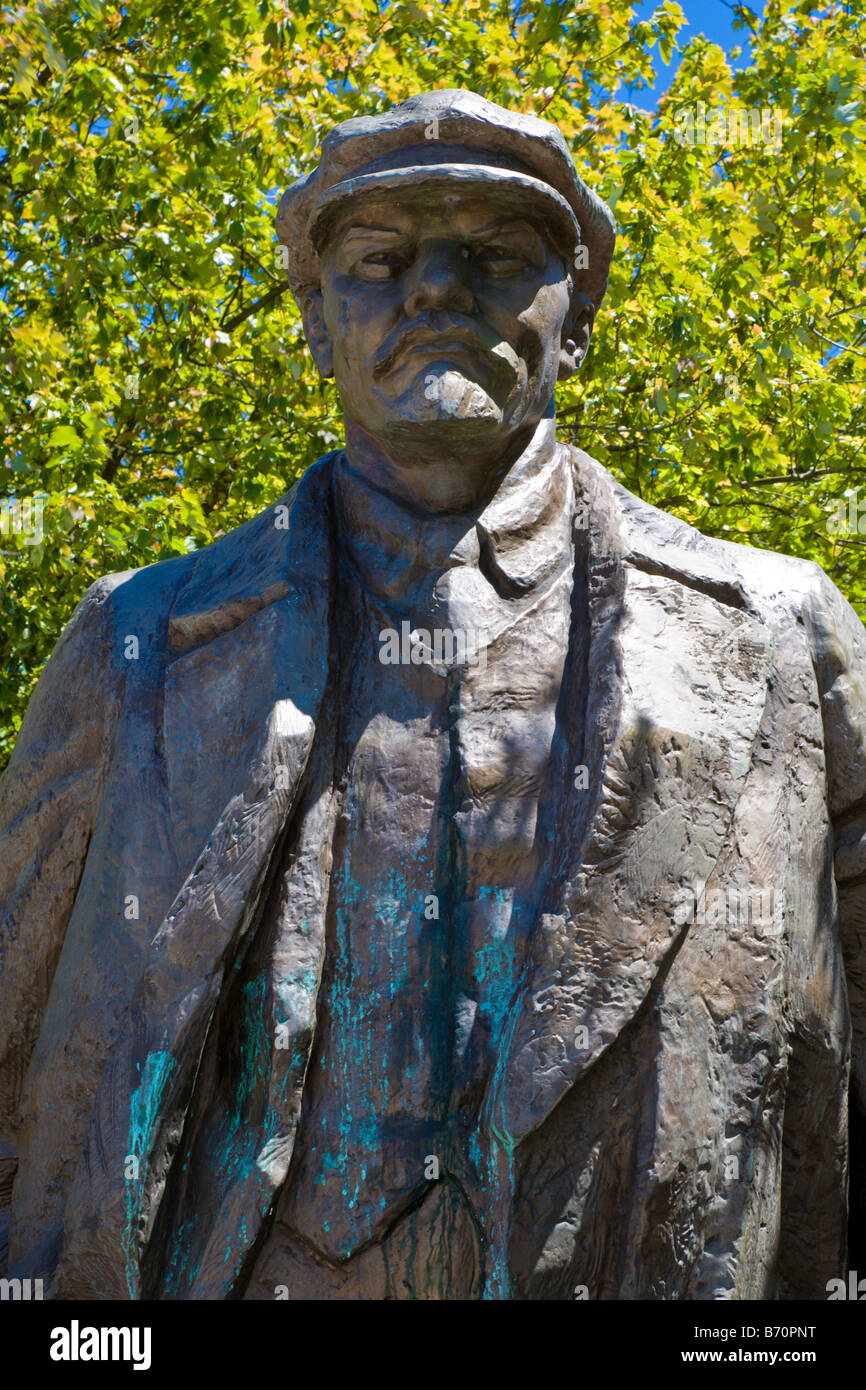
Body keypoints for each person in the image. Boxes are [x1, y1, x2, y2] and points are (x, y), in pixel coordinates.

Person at [1, 89, 864, 1300]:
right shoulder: (137, 645)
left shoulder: (776, 636)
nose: (434, 291)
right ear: (313, 320)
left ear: (576, 320)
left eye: (496, 258)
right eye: (379, 260)